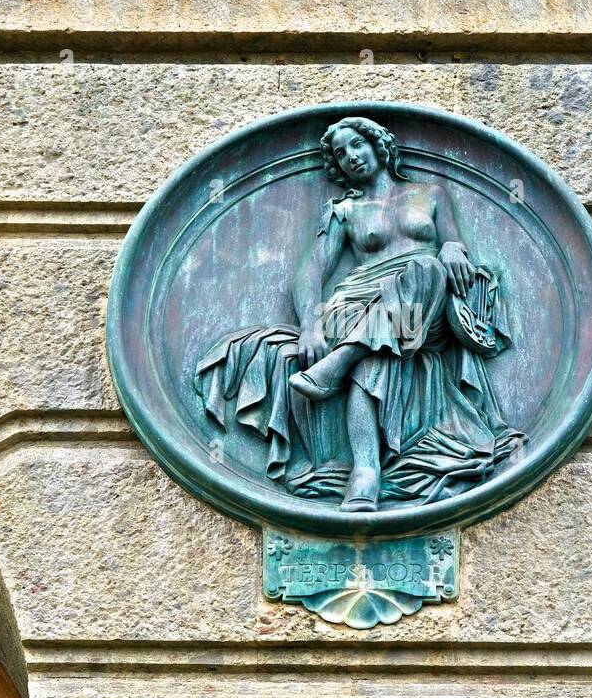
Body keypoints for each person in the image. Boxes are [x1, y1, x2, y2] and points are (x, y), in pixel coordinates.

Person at [196, 117, 521, 513]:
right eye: (341, 154)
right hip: (357, 306)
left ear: (377, 145)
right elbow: (311, 271)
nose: (351, 157)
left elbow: (451, 243)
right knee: (377, 354)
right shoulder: (345, 211)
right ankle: (365, 473)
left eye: (357, 145)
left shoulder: (430, 194)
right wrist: (310, 326)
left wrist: (454, 247)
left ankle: (339, 363)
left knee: (426, 268)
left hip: (424, 309)